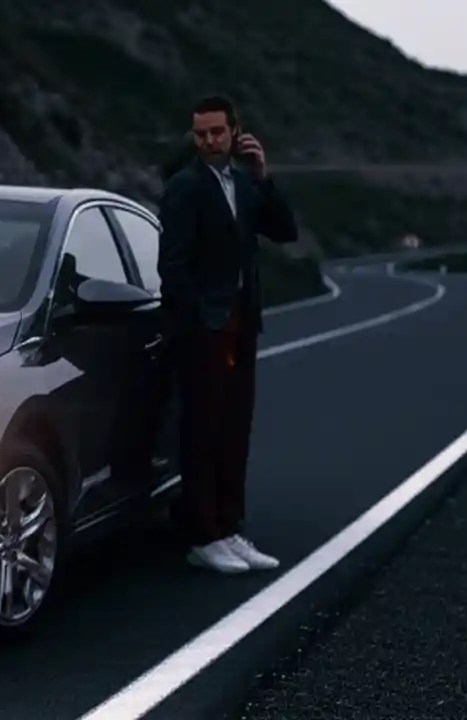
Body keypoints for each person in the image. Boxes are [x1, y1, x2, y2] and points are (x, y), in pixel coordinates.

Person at [157, 95, 298, 574]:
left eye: (217, 132)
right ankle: (203, 535)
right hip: (205, 331)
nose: (209, 141)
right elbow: (171, 267)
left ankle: (229, 527)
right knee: (202, 433)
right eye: (200, 134)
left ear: (236, 132)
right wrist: (198, 322)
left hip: (242, 324)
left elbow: (285, 231)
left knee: (236, 429)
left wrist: (264, 176)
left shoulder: (242, 182)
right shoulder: (185, 187)